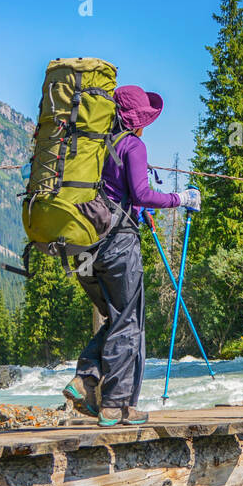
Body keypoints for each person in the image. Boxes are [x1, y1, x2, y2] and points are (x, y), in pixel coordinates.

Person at [62, 85, 201, 425]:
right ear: (137, 120)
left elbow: (113, 192)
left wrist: (136, 209)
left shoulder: (91, 148)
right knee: (129, 323)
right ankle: (116, 407)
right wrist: (180, 199)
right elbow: (140, 191)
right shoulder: (132, 145)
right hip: (117, 246)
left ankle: (86, 379)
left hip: (80, 249)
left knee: (117, 319)